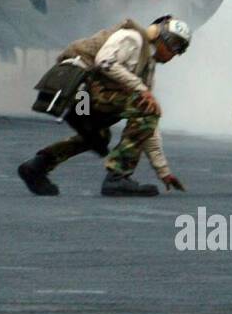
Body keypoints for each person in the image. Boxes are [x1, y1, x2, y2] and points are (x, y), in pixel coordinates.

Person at [18, 15, 191, 197]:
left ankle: (36, 167)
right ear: (159, 36)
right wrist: (141, 90)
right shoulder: (132, 38)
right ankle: (117, 177)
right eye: (174, 45)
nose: (174, 53)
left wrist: (163, 171)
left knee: (99, 137)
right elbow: (104, 61)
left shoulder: (146, 67)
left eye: (179, 50)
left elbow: (148, 128)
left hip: (84, 100)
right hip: (78, 94)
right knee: (144, 107)